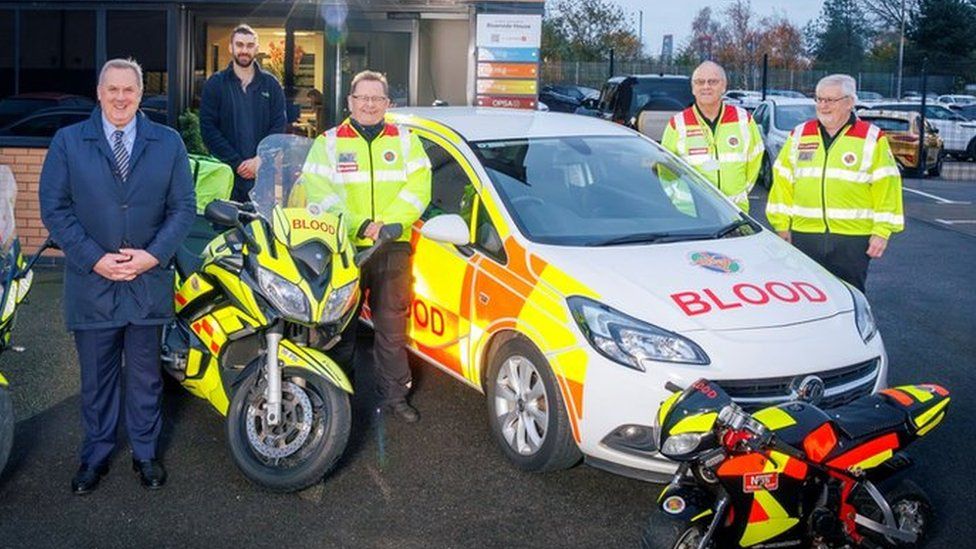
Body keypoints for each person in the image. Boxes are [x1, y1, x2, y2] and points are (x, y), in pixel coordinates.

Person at [39, 58, 196, 494]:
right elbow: (55, 209)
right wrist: (94, 259)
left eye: (129, 89)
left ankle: (146, 455)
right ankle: (95, 455)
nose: (121, 98)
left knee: (146, 377)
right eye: (113, 89)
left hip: (147, 281)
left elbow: (184, 208)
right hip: (93, 283)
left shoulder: (167, 142)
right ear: (99, 91)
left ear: (141, 94)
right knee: (97, 377)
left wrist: (153, 256)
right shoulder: (69, 142)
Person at [296, 70, 431, 423]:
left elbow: (419, 186)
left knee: (391, 327)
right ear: (350, 102)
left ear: (388, 104)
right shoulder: (327, 142)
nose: (370, 104)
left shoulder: (405, 141)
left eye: (377, 99)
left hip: (392, 246)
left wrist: (387, 224)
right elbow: (318, 192)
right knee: (341, 328)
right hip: (344, 248)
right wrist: (359, 225)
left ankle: (395, 395)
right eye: (363, 98)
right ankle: (339, 401)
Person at [766, 74, 903, 292]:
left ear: (850, 102)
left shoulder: (871, 138)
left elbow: (886, 186)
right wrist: (781, 225)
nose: (823, 106)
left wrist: (882, 231)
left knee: (850, 297)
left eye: (830, 100)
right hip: (805, 235)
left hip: (852, 239)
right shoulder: (800, 135)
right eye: (819, 99)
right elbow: (783, 181)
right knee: (807, 296)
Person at [661, 61, 764, 212]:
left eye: (713, 82)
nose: (706, 87)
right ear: (693, 88)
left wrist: (740, 191)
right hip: (694, 215)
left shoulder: (743, 120)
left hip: (736, 213)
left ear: (724, 86)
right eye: (700, 82)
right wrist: (684, 205)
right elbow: (665, 170)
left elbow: (754, 159)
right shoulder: (678, 124)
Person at [200, 24, 287, 202]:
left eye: (249, 45)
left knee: (262, 227)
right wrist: (237, 163)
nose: (244, 50)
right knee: (225, 227)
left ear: (256, 48)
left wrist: (260, 159)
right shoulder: (215, 84)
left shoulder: (271, 84)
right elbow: (208, 129)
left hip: (263, 176)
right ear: (231, 47)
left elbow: (278, 126)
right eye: (239, 45)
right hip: (226, 175)